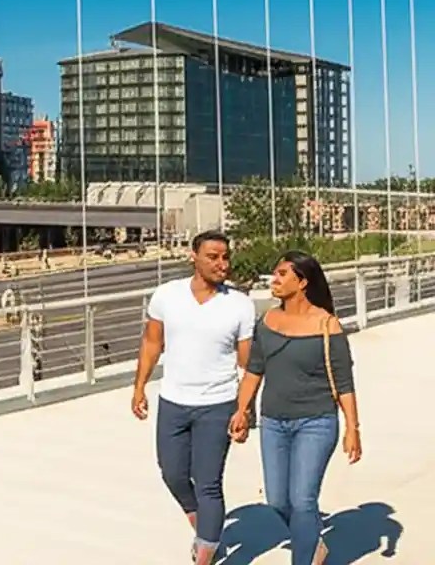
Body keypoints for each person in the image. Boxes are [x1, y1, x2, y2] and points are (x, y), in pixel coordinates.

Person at [228, 251, 361, 565]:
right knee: (277, 501)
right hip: (273, 423)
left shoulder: (327, 326)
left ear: (302, 282)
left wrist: (353, 429)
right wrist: (242, 410)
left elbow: (344, 383)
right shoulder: (267, 322)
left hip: (316, 423)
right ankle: (313, 542)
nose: (274, 280)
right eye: (275, 273)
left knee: (302, 500)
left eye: (282, 274)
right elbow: (254, 370)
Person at [132, 230, 254, 565]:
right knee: (171, 473)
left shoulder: (240, 305)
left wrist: (245, 410)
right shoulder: (166, 296)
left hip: (218, 405)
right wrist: (139, 385)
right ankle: (206, 532)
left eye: (226, 257)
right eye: (213, 257)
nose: (222, 264)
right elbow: (152, 343)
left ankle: (205, 554)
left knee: (208, 483)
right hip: (173, 401)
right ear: (194, 257)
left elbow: (248, 366)